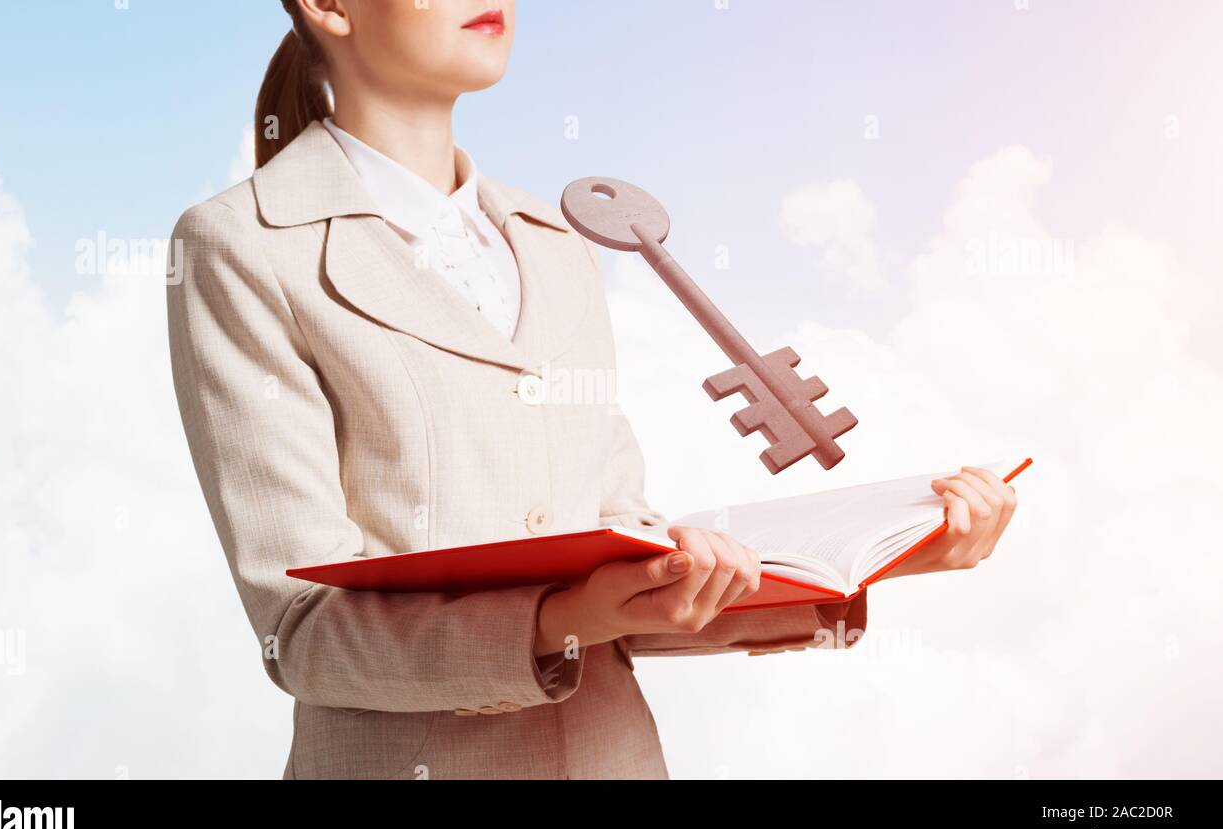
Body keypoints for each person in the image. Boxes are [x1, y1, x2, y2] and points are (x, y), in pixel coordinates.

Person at [167, 0, 1018, 779]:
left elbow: (632, 588)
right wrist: (558, 618)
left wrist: (870, 563)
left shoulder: (554, 246)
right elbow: (302, 634)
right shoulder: (243, 247)